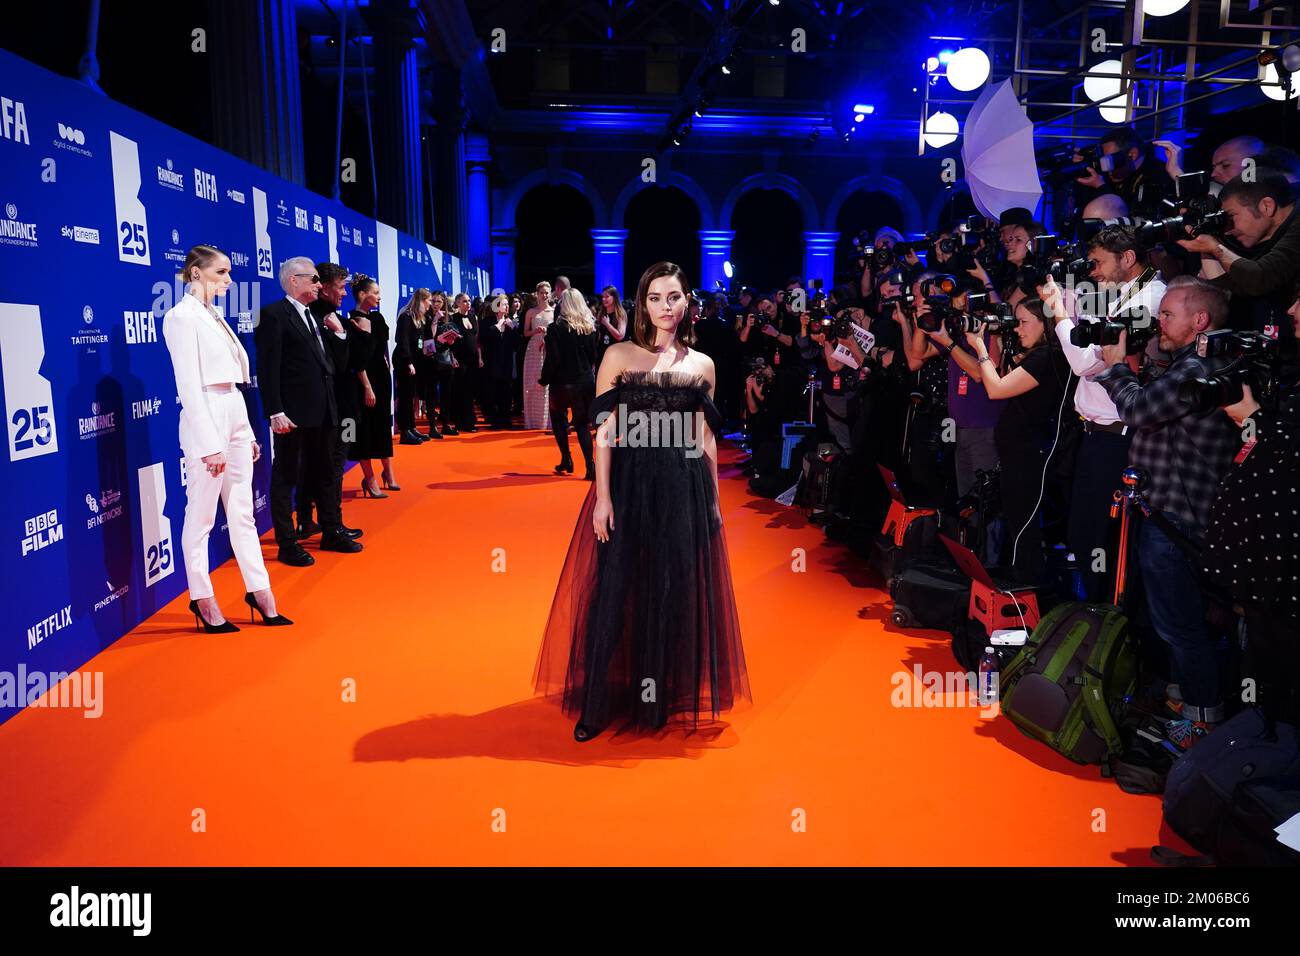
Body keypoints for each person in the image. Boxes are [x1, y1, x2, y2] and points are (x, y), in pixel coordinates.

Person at [534, 261, 751, 742]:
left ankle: (660, 698)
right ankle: (597, 704)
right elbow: (604, 432)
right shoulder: (618, 355)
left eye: (673, 297)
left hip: (684, 485)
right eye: (654, 298)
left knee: (673, 587)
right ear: (641, 303)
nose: (664, 308)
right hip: (630, 484)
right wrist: (603, 497)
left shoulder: (702, 365)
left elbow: (704, 438)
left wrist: (713, 501)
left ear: (687, 301)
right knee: (617, 585)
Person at [1095, 277, 1239, 748]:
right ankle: (1183, 705)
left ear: (1200, 321)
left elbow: (1137, 410)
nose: (1159, 320)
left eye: (1168, 314)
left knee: (1181, 626)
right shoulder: (1188, 364)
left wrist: (1117, 368)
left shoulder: (1198, 369)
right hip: (1167, 515)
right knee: (1175, 622)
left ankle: (1201, 725)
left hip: (1179, 520)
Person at [162, 245, 291, 630]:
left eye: (229, 273)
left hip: (232, 409)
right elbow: (188, 386)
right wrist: (208, 444)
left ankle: (259, 590)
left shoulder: (214, 314)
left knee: (242, 513)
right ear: (196, 273)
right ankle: (202, 597)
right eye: (221, 273)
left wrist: (246, 431)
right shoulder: (180, 317)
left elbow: (235, 381)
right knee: (200, 517)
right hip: (206, 414)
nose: (229, 281)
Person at [254, 256, 362, 565]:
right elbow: (268, 368)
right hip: (292, 415)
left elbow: (335, 366)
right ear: (293, 281)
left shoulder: (314, 317)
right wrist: (275, 411)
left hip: (324, 410)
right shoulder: (272, 315)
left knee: (327, 473)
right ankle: (287, 543)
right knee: (287, 476)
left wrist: (340, 334)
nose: (318, 284)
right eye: (313, 279)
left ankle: (331, 530)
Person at [963, 298, 1074, 586]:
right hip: (1019, 452)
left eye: (1024, 323)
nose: (1018, 329)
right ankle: (1021, 582)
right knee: (1016, 520)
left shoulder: (1048, 357)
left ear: (1045, 323)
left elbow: (996, 390)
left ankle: (1028, 590)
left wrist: (981, 348)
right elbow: (1003, 378)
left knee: (1024, 525)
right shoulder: (1038, 356)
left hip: (1030, 454)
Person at [302, 262, 363, 542]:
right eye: (340, 287)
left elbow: (358, 360)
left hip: (347, 409)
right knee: (330, 466)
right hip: (330, 410)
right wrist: (341, 334)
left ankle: (325, 521)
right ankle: (330, 526)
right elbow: (338, 364)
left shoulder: (336, 317)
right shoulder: (316, 320)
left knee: (335, 462)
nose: (344, 293)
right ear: (323, 288)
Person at [539, 288, 598, 478]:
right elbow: (592, 357)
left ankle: (567, 458)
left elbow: (553, 359)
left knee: (558, 419)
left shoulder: (555, 328)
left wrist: (544, 379)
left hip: (562, 383)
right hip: (584, 381)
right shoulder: (589, 327)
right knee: (582, 425)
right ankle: (590, 466)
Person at [349, 274, 398, 496]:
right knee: (365, 431)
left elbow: (383, 350)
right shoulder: (352, 321)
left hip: (382, 377)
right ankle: (370, 479)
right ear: (362, 294)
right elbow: (358, 359)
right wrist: (367, 386)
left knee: (381, 427)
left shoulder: (378, 319)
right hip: (365, 380)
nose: (379, 297)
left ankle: (388, 472)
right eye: (375, 293)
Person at [393, 288, 433, 444]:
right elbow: (402, 341)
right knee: (405, 397)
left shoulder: (420, 318)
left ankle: (411, 427)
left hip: (415, 361)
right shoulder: (406, 317)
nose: (430, 304)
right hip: (404, 361)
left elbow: (421, 340)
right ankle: (405, 431)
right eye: (429, 300)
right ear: (422, 300)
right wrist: (408, 361)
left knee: (411, 396)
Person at [478, 293, 521, 429]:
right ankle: (494, 420)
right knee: (492, 392)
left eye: (508, 304)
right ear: (496, 306)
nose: (507, 307)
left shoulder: (510, 323)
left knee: (507, 392)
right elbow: (483, 340)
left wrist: (513, 329)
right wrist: (497, 327)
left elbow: (517, 344)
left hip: (506, 362)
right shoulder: (486, 322)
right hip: (491, 362)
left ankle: (506, 420)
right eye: (504, 304)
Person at [448, 292, 482, 431]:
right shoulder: (453, 319)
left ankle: (469, 422)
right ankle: (460, 422)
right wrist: (452, 357)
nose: (467, 303)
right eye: (464, 301)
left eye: (469, 301)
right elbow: (449, 341)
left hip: (473, 358)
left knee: (470, 391)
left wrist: (480, 357)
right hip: (459, 359)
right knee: (459, 390)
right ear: (457, 303)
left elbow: (477, 340)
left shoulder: (474, 317)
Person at [522, 282, 554, 430]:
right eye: (542, 292)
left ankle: (547, 421)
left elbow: (557, 333)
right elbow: (525, 333)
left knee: (547, 384)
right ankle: (532, 420)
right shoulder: (531, 312)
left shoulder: (554, 312)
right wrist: (536, 331)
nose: (545, 295)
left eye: (547, 292)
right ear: (537, 294)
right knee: (532, 383)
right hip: (533, 350)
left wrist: (547, 333)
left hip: (549, 349)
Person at [593, 284, 628, 369]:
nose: (604, 299)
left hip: (615, 354)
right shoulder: (601, 313)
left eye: (607, 296)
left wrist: (607, 324)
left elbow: (620, 336)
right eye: (603, 297)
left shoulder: (620, 314)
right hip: (601, 354)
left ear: (614, 297)